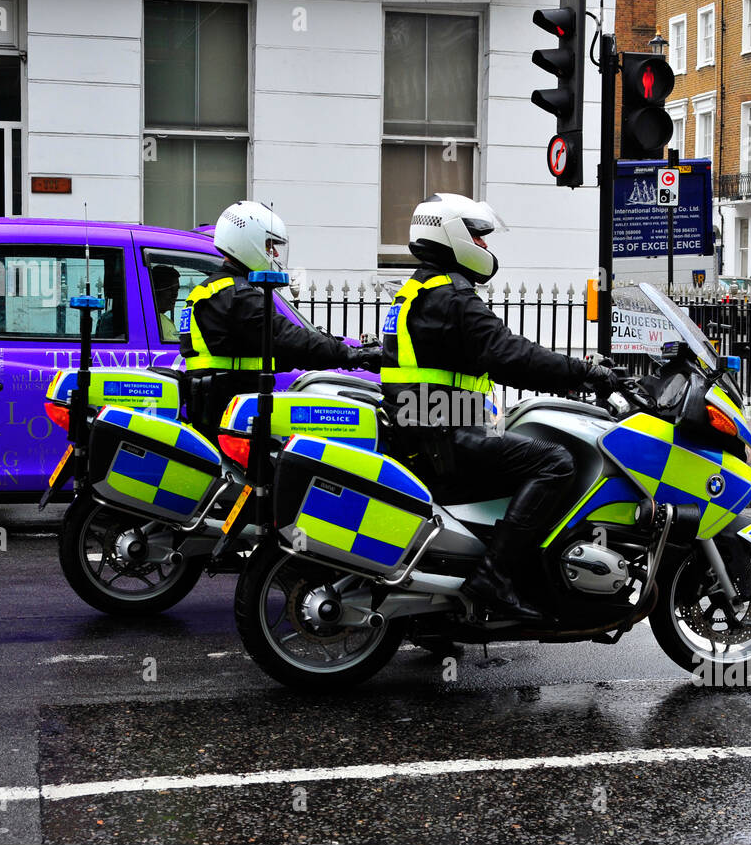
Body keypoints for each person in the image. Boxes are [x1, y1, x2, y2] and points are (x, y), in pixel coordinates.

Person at [380, 193, 618, 623]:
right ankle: (494, 576)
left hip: (427, 425)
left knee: (527, 444)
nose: (485, 247)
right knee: (557, 462)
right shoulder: (453, 298)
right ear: (452, 237)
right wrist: (586, 372)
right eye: (478, 237)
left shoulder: (414, 292)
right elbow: (510, 354)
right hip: (448, 432)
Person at [179, 201, 378, 437]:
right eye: (269, 245)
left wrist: (329, 348)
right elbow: (286, 338)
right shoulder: (237, 295)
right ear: (246, 240)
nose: (273, 253)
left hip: (216, 404)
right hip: (229, 409)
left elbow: (275, 351)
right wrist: (354, 355)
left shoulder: (211, 290)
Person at [150, 264, 181, 342]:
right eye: (171, 290)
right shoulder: (158, 322)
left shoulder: (162, 319)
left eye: (176, 290)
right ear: (156, 290)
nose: (175, 295)